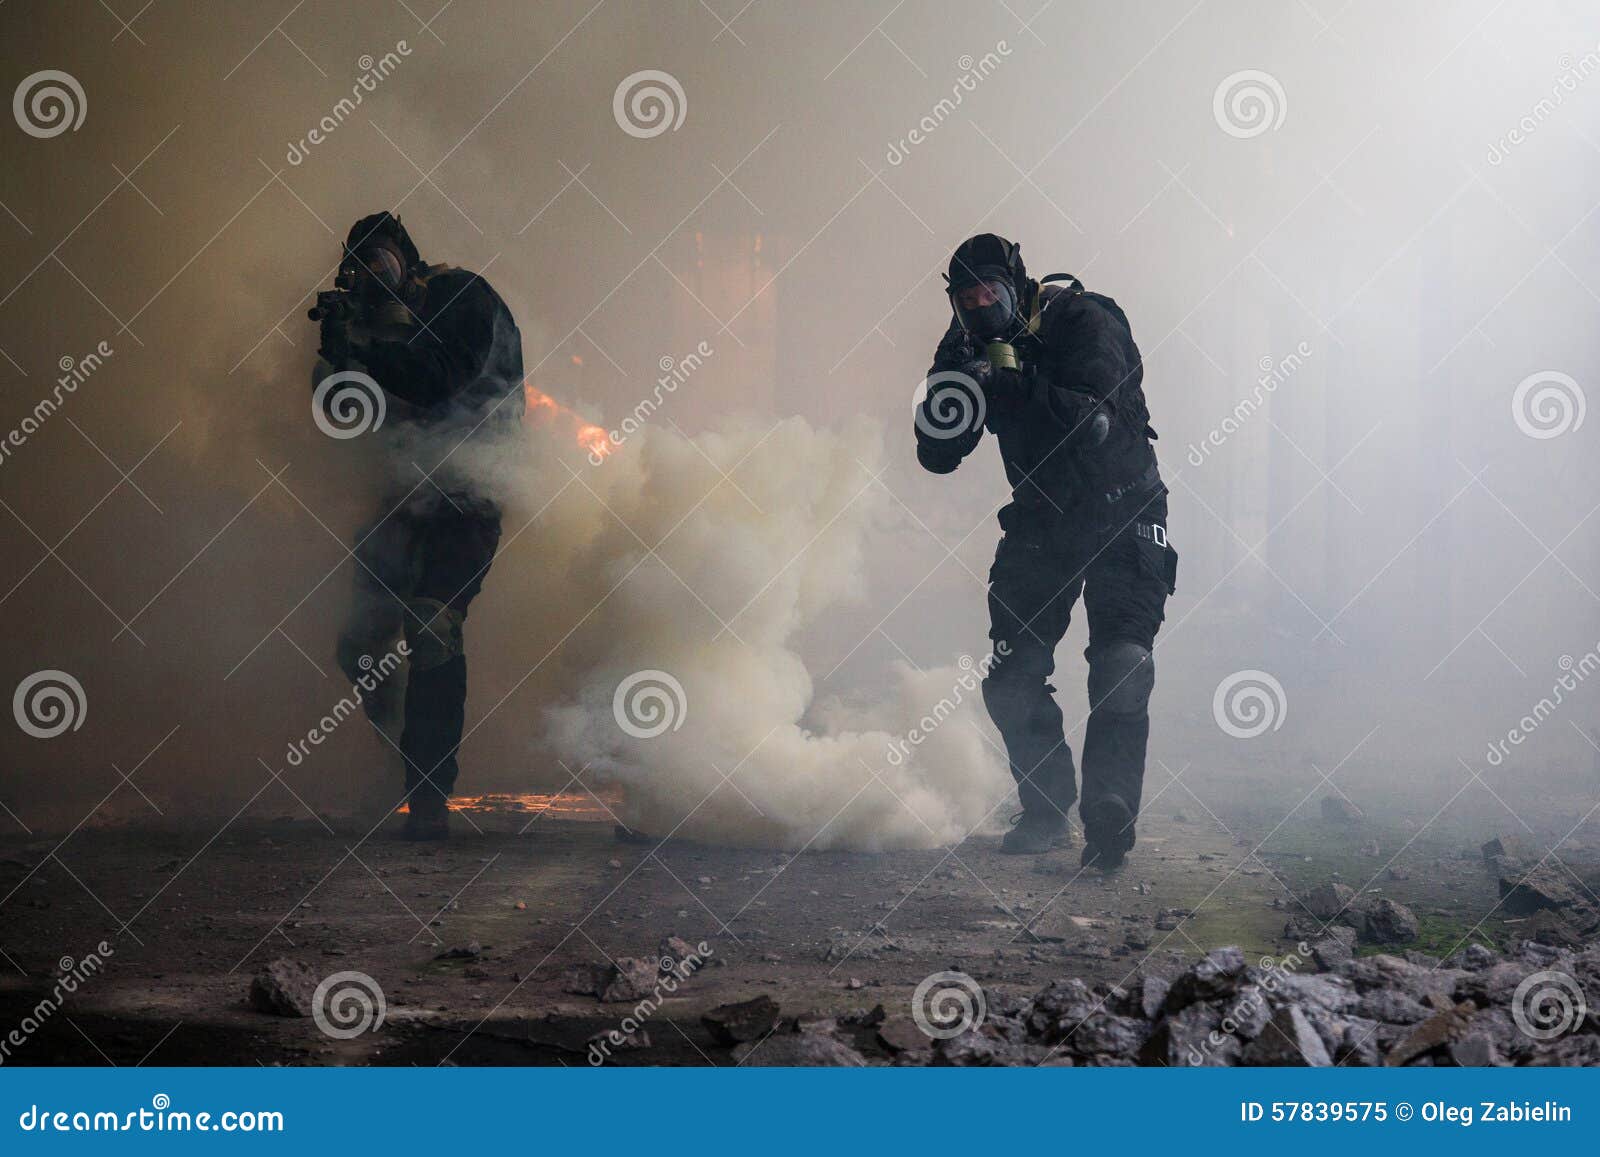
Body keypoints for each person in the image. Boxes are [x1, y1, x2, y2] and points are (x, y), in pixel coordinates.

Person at [914, 233, 1177, 868]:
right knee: (1011, 678)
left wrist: (1013, 385)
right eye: (966, 297)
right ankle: (1045, 809)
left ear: (1017, 287)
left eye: (990, 292)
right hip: (1043, 519)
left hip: (1123, 509)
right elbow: (937, 453)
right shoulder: (965, 344)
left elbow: (1094, 421)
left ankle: (1110, 810)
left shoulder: (1082, 321)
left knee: (1121, 666)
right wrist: (958, 384)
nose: (980, 305)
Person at [313, 212, 523, 840]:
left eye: (379, 261)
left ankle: (428, 795)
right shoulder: (367, 325)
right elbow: (338, 418)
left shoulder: (464, 296)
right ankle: (403, 753)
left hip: (469, 493)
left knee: (432, 622)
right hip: (403, 498)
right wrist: (337, 356)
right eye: (359, 268)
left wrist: (364, 351)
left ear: (405, 258)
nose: (372, 276)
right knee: (360, 643)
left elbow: (440, 378)